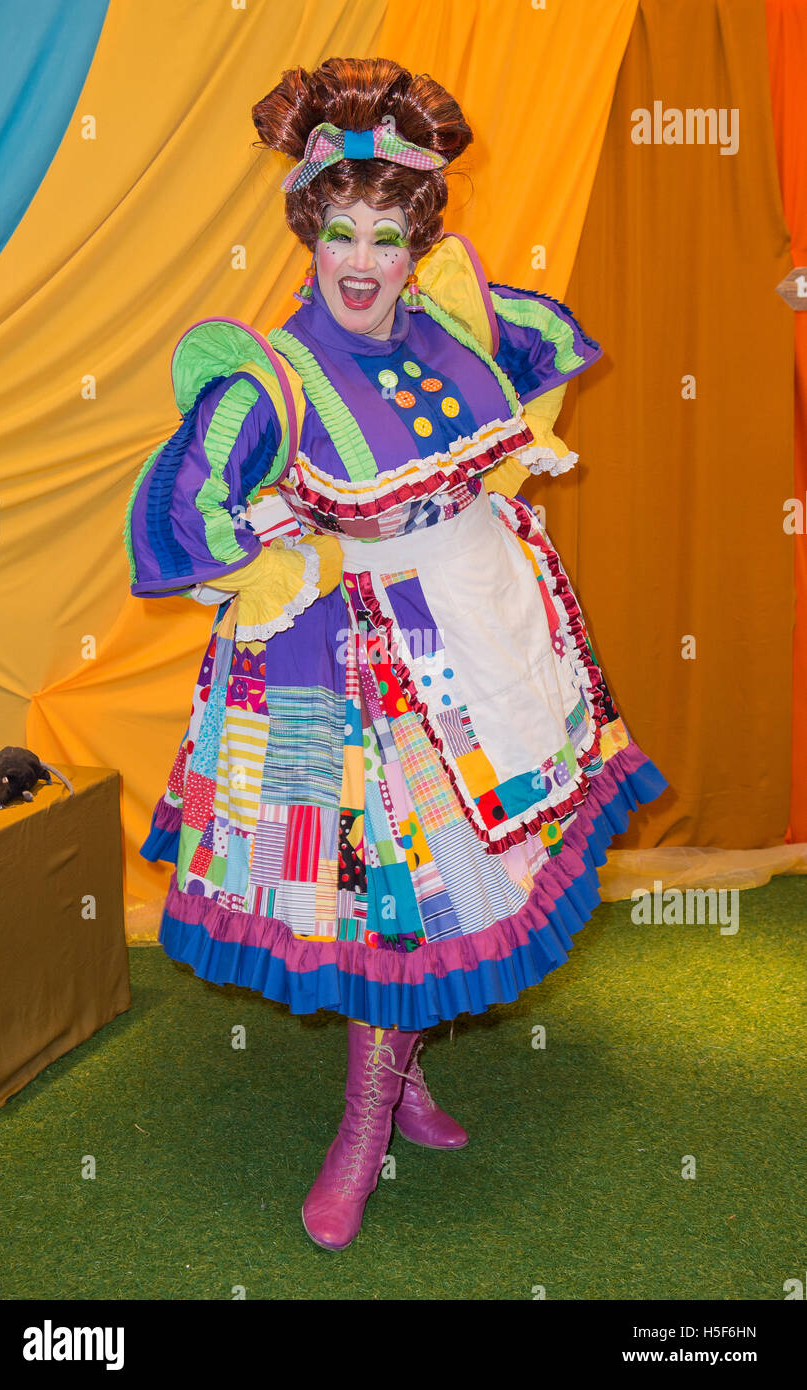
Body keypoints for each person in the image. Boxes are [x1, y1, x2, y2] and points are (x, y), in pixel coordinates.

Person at [124, 56, 668, 1252]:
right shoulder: (272, 372)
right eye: (341, 235)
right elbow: (183, 508)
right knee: (390, 908)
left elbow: (541, 365)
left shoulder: (456, 327)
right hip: (356, 675)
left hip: (482, 639)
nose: (363, 264)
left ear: (417, 239)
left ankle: (401, 1079)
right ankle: (365, 1125)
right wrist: (279, 547)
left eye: (387, 235)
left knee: (450, 897)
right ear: (308, 233)